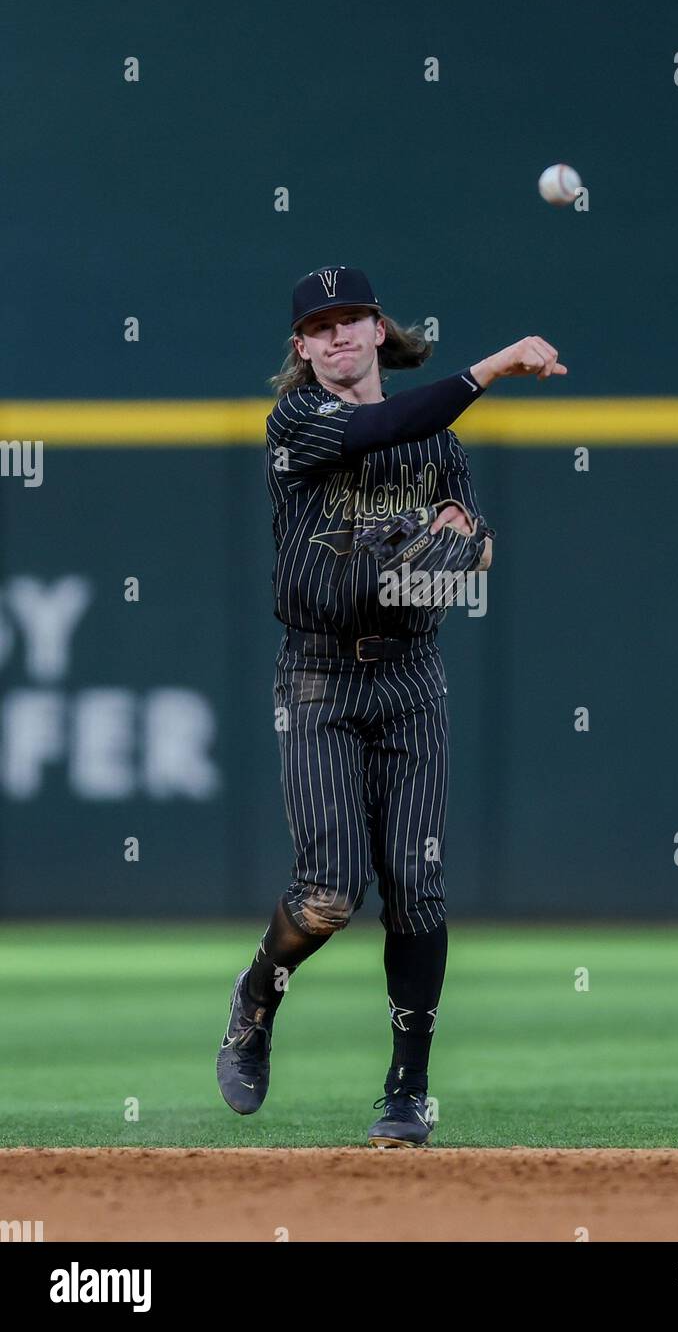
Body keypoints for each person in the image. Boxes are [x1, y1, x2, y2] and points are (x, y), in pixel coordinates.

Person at [217, 265, 565, 1146]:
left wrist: (466, 543)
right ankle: (259, 993)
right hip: (320, 676)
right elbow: (383, 424)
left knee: (416, 888)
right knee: (330, 895)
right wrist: (490, 369)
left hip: (409, 676)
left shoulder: (437, 441)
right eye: (319, 326)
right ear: (301, 348)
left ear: (379, 330)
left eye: (352, 319)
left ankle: (406, 1092)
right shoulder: (296, 420)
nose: (337, 336)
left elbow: (472, 543)